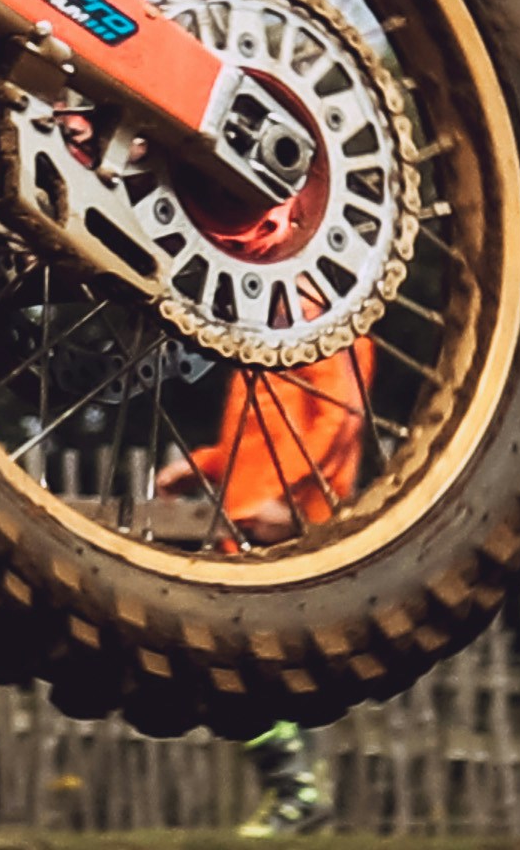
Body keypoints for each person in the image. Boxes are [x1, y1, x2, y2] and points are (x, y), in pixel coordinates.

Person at [157, 346, 367, 834]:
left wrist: (286, 493)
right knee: (245, 665)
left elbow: (341, 417)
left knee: (250, 664)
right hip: (250, 529)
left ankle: (298, 793)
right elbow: (261, 428)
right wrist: (204, 464)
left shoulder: (318, 318)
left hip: (289, 526)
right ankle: (296, 792)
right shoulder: (266, 330)